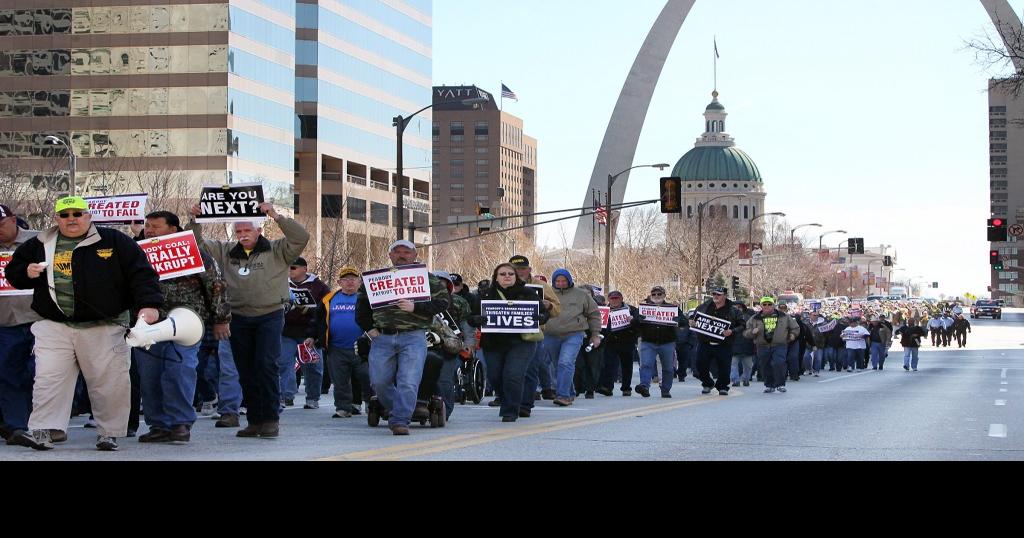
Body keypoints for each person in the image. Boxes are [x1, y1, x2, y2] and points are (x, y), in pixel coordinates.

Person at [6, 196, 163, 451]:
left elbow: (142, 274)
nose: (71, 219)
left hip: (105, 324)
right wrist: (26, 272)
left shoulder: (115, 241)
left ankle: (108, 433)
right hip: (54, 323)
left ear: (88, 216)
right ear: (56, 219)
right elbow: (13, 271)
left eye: (77, 214)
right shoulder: (39, 243)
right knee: (48, 379)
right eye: (65, 215)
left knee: (110, 382)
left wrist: (149, 305)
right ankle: (45, 430)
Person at [189, 202, 310, 439]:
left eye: (247, 231)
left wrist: (276, 216)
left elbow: (301, 237)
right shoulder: (226, 251)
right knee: (245, 370)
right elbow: (196, 245)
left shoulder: (278, 250)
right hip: (238, 317)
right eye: (239, 232)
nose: (243, 235)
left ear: (258, 231)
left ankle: (270, 420)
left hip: (269, 315)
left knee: (266, 366)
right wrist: (195, 221)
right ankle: (254, 421)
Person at [134, 210, 231, 444]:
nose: (149, 230)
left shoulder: (194, 252)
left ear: (173, 229)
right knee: (150, 376)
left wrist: (220, 319)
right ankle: (158, 425)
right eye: (148, 225)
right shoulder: (136, 253)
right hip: (148, 321)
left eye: (156, 226)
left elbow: (215, 286)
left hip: (187, 322)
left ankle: (180, 423)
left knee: (179, 372)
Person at [355, 240, 449, 435]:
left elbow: (443, 303)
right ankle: (399, 408)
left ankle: (400, 421)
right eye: (397, 252)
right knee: (378, 382)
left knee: (409, 380)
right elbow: (361, 306)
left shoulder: (427, 279)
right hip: (382, 338)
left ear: (414, 256)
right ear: (390, 256)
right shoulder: (377, 279)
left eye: (407, 252)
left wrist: (417, 307)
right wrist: (369, 329)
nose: (402, 255)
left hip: (413, 337)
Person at [468, 263, 549, 421]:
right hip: (493, 343)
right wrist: (477, 319)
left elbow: (544, 313)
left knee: (513, 375)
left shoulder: (528, 293)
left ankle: (510, 410)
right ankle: (506, 400)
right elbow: (471, 317)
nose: (507, 277)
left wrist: (540, 318)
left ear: (515, 276)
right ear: (496, 277)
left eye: (510, 274)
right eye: (502, 274)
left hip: (521, 342)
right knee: (495, 376)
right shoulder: (485, 295)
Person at [0, 204, 43, 448]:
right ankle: (17, 425)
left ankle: (44, 424)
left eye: (1, 224)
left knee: (43, 374)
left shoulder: (37, 242)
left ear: (13, 220)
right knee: (10, 374)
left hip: (40, 319)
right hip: (5, 323)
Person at [540, 268, 602, 407]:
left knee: (566, 362)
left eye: (563, 281)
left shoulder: (581, 295)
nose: (561, 283)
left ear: (569, 280)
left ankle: (563, 395)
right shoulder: (547, 294)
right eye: (558, 281)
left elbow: (594, 314)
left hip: (574, 334)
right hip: (550, 335)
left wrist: (595, 334)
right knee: (557, 365)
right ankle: (570, 391)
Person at [508, 255, 562, 413]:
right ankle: (507, 399)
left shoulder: (541, 286)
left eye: (523, 269)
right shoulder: (501, 284)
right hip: (507, 333)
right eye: (515, 269)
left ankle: (525, 404)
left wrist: (549, 306)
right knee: (507, 370)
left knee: (530, 369)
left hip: (532, 333)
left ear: (529, 269)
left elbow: (558, 309)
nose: (519, 272)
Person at [317, 266, 369, 418]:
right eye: (346, 279)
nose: (350, 282)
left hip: (363, 348)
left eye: (353, 279)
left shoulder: (366, 298)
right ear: (339, 282)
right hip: (336, 347)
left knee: (368, 378)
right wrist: (313, 337)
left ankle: (372, 405)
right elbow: (319, 321)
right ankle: (343, 408)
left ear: (359, 282)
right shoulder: (329, 299)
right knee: (340, 381)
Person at [281, 257, 330, 410]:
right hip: (286, 331)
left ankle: (312, 397)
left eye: (293, 267)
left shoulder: (319, 286)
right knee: (283, 363)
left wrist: (310, 309)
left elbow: (326, 308)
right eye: (288, 267)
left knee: (312, 365)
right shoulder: (282, 284)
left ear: (304, 269)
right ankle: (285, 395)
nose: (290, 270)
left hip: (309, 333)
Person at [691, 287, 745, 396]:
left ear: (725, 295)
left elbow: (742, 325)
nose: (715, 296)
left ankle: (722, 387)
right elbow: (693, 317)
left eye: (718, 294)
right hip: (705, 342)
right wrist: (691, 321)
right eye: (714, 294)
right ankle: (707, 383)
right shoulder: (704, 306)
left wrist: (732, 331)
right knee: (700, 365)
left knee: (724, 367)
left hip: (724, 344)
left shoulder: (733, 310)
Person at [745, 297, 799, 393]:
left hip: (779, 345)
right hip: (762, 345)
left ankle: (780, 384)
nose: (767, 306)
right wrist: (752, 332)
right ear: (761, 306)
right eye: (764, 304)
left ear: (773, 305)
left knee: (779, 363)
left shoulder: (784, 316)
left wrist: (792, 335)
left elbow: (795, 328)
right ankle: (769, 385)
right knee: (765, 365)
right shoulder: (754, 318)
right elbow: (746, 333)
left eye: (769, 304)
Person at [635, 286, 682, 398]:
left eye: (659, 294)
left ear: (664, 296)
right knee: (646, 364)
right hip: (648, 341)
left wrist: (678, 320)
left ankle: (665, 389)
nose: (656, 296)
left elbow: (684, 322)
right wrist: (638, 319)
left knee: (667, 367)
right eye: (654, 294)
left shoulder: (672, 308)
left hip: (667, 342)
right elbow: (634, 323)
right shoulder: (644, 308)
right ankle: (644, 386)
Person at [597, 290, 640, 396]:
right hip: (610, 341)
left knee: (627, 366)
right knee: (609, 365)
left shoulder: (631, 309)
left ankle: (626, 388)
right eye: (612, 298)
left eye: (617, 298)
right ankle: (608, 387)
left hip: (627, 341)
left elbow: (639, 322)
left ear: (621, 299)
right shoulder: (604, 311)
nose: (615, 300)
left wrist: (633, 320)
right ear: (609, 300)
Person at [730, 303, 756, 386]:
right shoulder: (729, 319)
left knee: (748, 366)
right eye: (735, 307)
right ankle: (735, 380)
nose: (737, 309)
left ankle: (746, 379)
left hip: (747, 345)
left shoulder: (749, 319)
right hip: (733, 345)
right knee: (733, 365)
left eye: (739, 307)